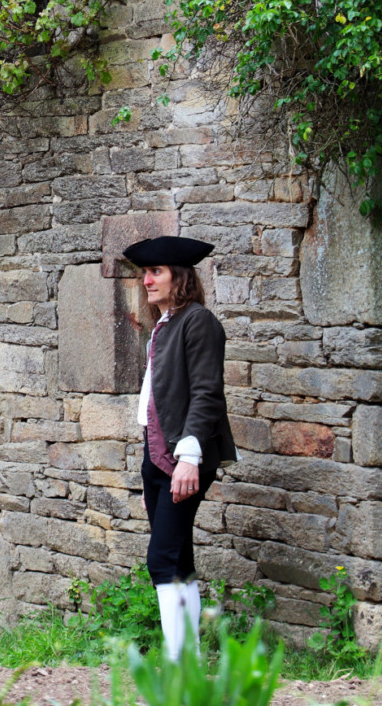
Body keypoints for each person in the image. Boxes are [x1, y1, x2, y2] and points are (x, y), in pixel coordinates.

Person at [123, 235, 237, 661]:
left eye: (156, 272)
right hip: (157, 456)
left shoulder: (198, 322)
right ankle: (188, 657)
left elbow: (207, 393)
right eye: (146, 273)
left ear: (180, 278)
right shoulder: (166, 324)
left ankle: (177, 661)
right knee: (178, 555)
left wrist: (190, 458)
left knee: (162, 557)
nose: (147, 281)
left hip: (183, 459)